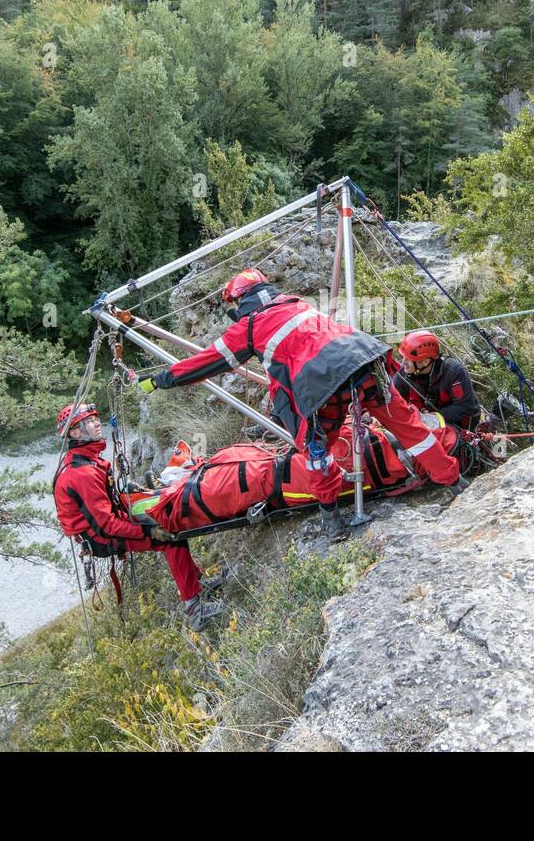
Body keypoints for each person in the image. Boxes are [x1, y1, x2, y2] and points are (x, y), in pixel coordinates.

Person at [139, 269, 467, 540]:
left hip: (323, 385)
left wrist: (162, 379)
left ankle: (331, 520)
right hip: (365, 360)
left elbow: (209, 361)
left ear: (240, 301)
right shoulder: (301, 306)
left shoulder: (249, 327)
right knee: (409, 427)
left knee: (316, 452)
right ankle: (453, 481)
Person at [52, 402, 224, 630]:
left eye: (95, 418)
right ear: (75, 433)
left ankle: (199, 585)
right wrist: (149, 531)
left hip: (106, 525)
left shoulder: (86, 460)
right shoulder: (82, 473)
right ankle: (195, 610)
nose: (97, 424)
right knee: (172, 538)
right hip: (102, 537)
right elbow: (107, 526)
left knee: (169, 520)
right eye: (89, 421)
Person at [392, 330, 481, 431]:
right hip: (427, 426)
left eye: (408, 358)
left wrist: (432, 418)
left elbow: (466, 407)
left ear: (425, 361)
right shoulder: (403, 377)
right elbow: (394, 403)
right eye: (403, 357)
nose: (403, 361)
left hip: (461, 426)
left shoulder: (453, 372)